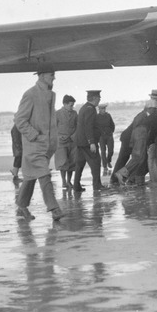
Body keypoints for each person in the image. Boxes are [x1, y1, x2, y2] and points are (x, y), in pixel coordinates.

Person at [14, 65, 63, 221]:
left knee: (30, 178)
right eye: (51, 75)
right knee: (44, 175)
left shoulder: (50, 94)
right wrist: (34, 135)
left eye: (54, 75)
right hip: (34, 145)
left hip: (46, 146)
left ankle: (21, 207)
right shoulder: (30, 94)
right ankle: (55, 209)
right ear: (41, 76)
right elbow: (20, 120)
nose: (54, 78)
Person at [72, 90, 104, 192]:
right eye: (99, 98)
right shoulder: (90, 109)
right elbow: (88, 127)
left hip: (80, 142)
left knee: (80, 164)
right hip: (87, 142)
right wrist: (92, 142)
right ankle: (97, 185)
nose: (99, 100)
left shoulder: (84, 108)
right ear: (94, 98)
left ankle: (76, 186)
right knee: (96, 163)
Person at [54, 95, 77, 189]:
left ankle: (69, 181)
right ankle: (63, 181)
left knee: (72, 162)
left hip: (72, 141)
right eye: (71, 105)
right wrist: (59, 137)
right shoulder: (57, 114)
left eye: (73, 105)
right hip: (61, 142)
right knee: (62, 162)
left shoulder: (75, 114)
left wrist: (73, 136)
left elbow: (78, 126)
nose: (72, 107)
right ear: (65, 104)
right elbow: (53, 128)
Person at [96, 103, 116, 174]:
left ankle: (108, 161)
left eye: (104, 108)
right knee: (103, 151)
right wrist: (98, 135)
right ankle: (104, 166)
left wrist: (111, 132)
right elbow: (95, 127)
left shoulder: (108, 115)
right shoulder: (96, 117)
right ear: (99, 109)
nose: (103, 110)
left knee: (111, 151)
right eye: (102, 108)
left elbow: (112, 124)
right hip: (101, 137)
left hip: (109, 135)